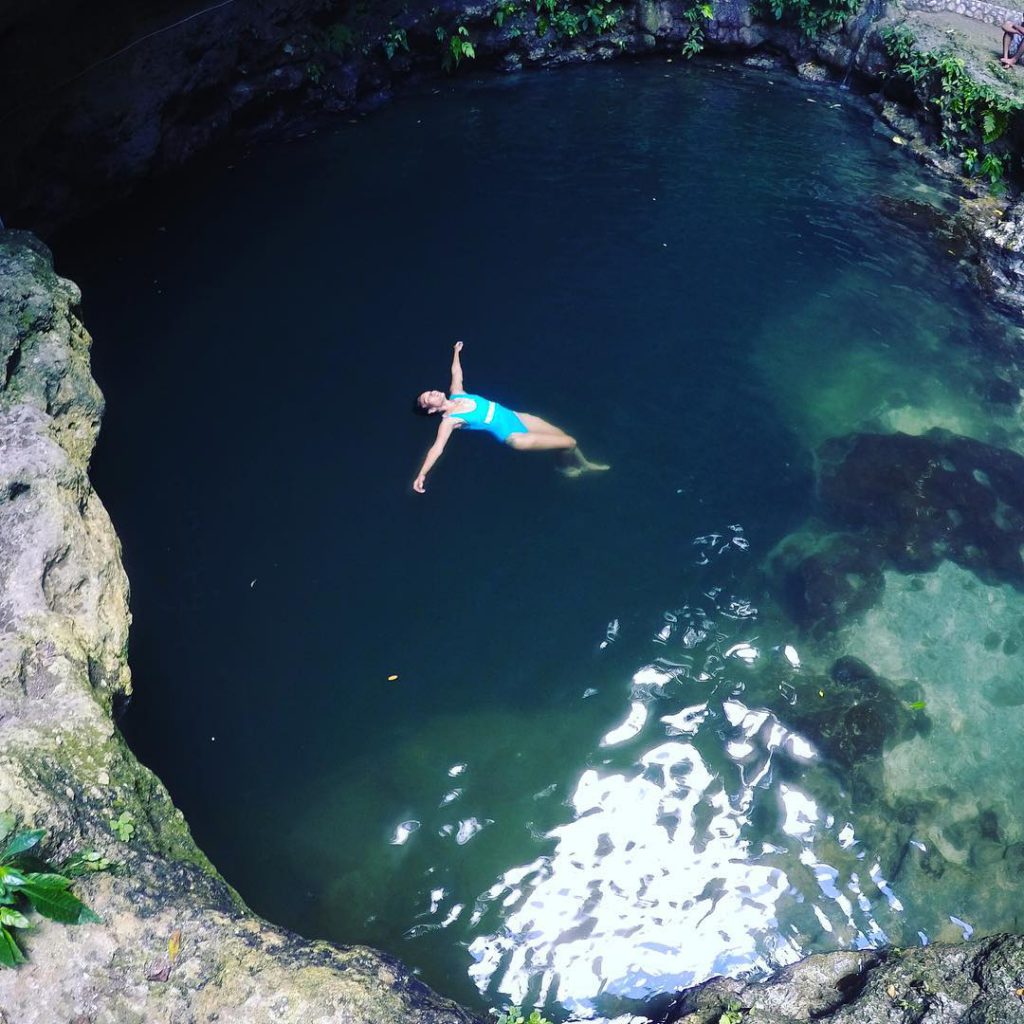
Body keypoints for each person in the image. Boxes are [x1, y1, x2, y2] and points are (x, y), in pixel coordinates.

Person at [411, 341, 609, 493]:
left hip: (518, 418)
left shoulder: (458, 393)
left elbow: (456, 372)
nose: (432, 392)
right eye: (428, 398)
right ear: (431, 410)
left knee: (563, 436)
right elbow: (436, 449)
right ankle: (567, 469)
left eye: (429, 391)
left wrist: (456, 352)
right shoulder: (449, 421)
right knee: (570, 442)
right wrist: (422, 474)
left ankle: (583, 463)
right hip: (515, 437)